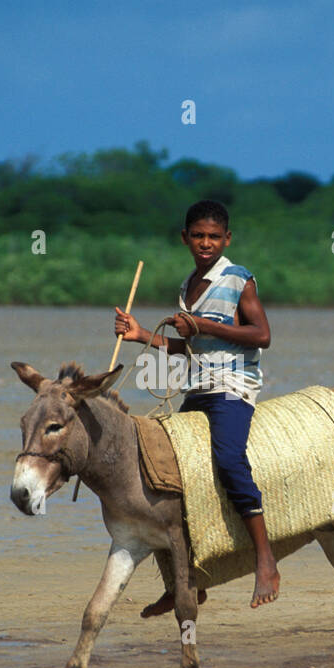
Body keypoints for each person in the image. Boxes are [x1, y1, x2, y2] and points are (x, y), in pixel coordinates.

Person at [113, 199, 281, 613]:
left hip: (232, 384)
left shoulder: (238, 279)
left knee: (228, 461)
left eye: (214, 237)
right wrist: (139, 335)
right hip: (197, 387)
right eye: (198, 236)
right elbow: (186, 347)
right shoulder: (189, 284)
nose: (205, 243)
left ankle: (266, 560)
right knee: (169, 476)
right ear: (185, 238)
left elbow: (261, 335)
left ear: (227, 239)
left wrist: (202, 324)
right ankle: (188, 582)